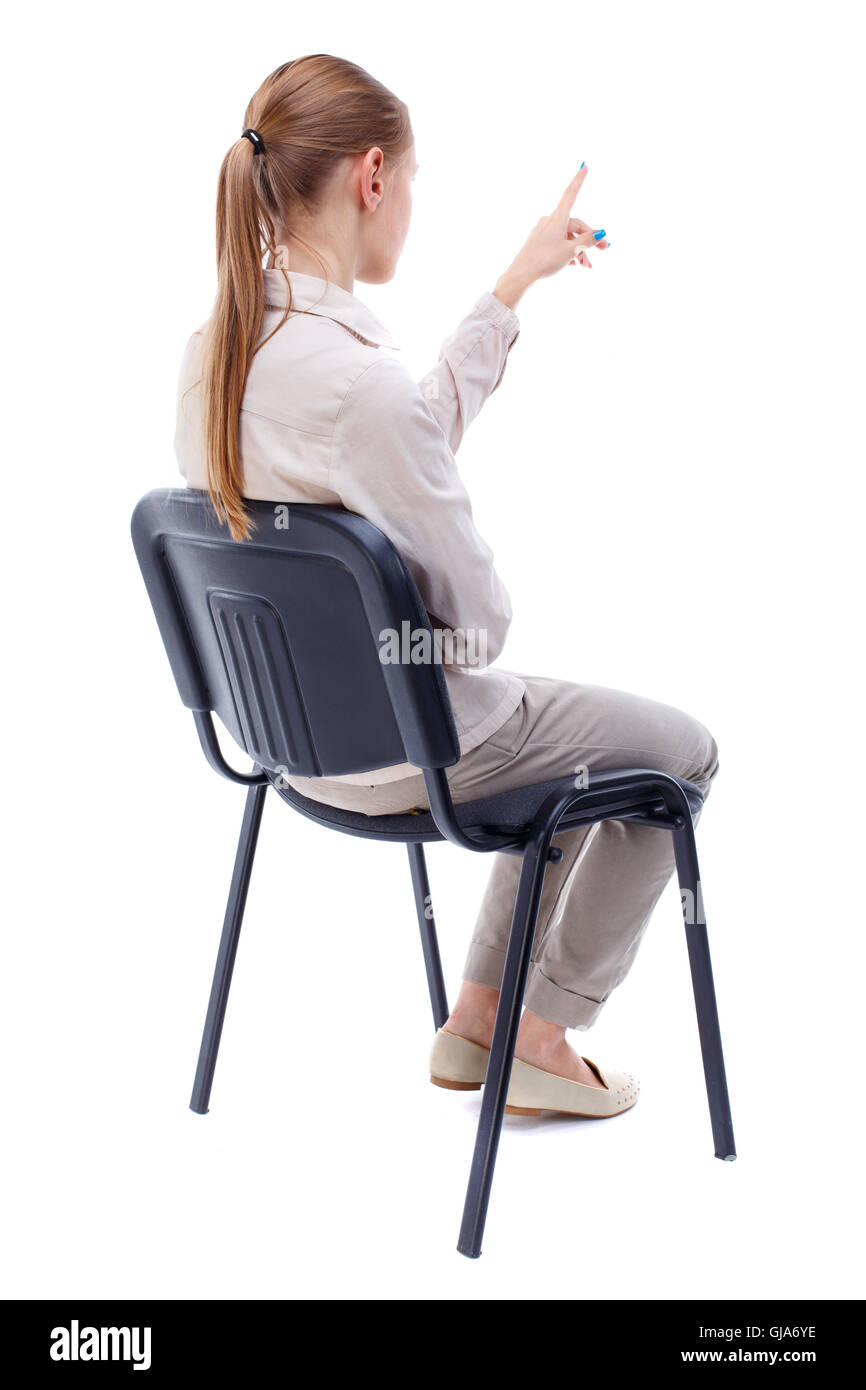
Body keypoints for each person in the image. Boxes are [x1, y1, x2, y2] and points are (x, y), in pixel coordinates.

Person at [174, 53, 719, 1120]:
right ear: (371, 176)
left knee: (560, 737)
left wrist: (509, 287)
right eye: (412, 180)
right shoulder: (355, 382)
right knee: (675, 754)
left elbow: (384, 445)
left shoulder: (212, 354)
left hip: (281, 752)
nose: (409, 203)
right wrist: (423, 629)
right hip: (411, 754)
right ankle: (541, 1026)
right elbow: (472, 628)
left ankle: (477, 1023)